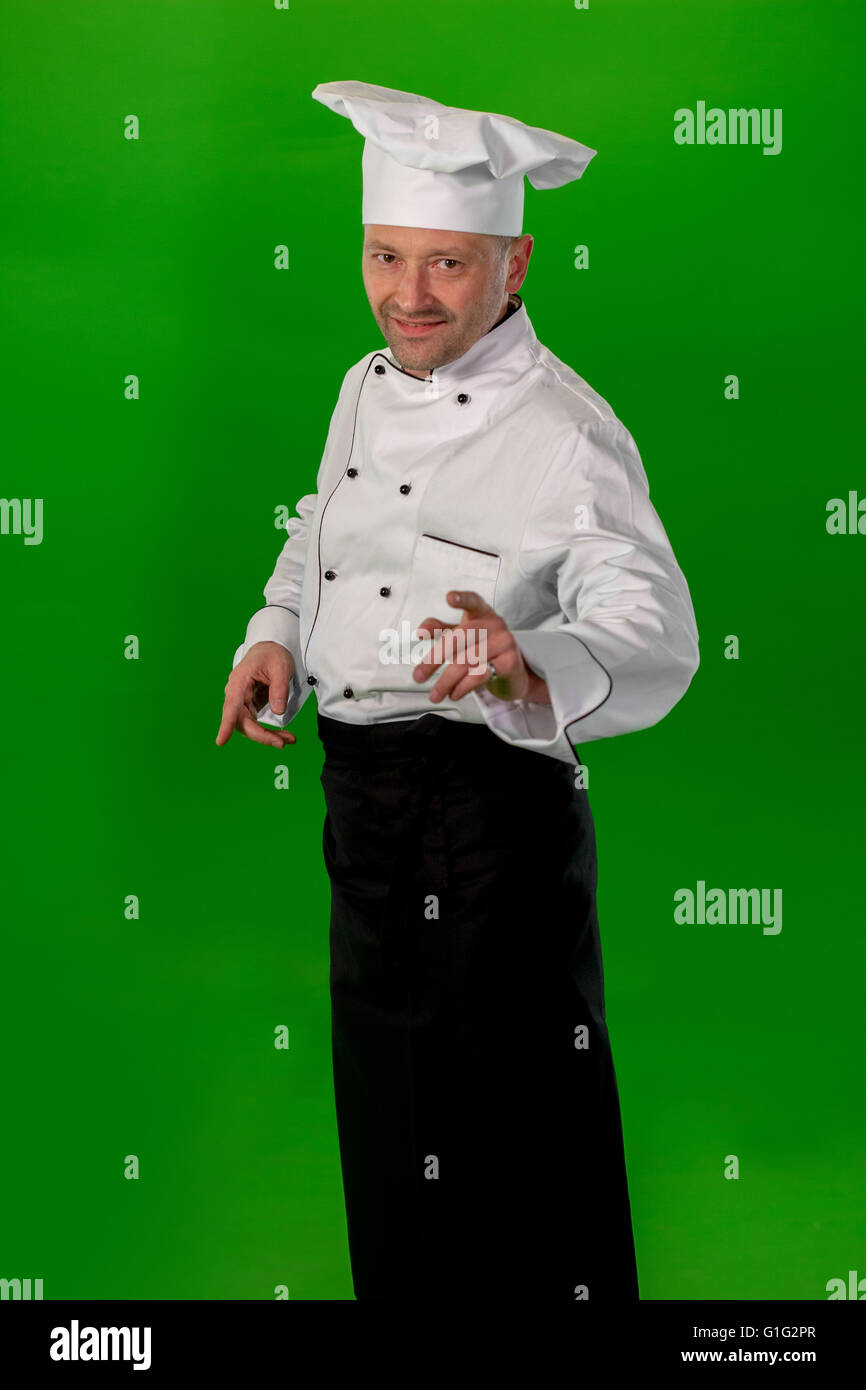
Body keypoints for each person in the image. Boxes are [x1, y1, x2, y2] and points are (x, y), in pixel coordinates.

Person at [216, 81, 700, 1300]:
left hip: (486, 817)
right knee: (391, 1135)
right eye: (387, 256)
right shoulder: (360, 385)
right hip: (364, 806)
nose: (408, 294)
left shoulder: (559, 429)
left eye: (446, 264)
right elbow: (321, 527)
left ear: (514, 264)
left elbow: (652, 625)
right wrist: (276, 630)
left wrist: (529, 657)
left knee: (519, 1137)